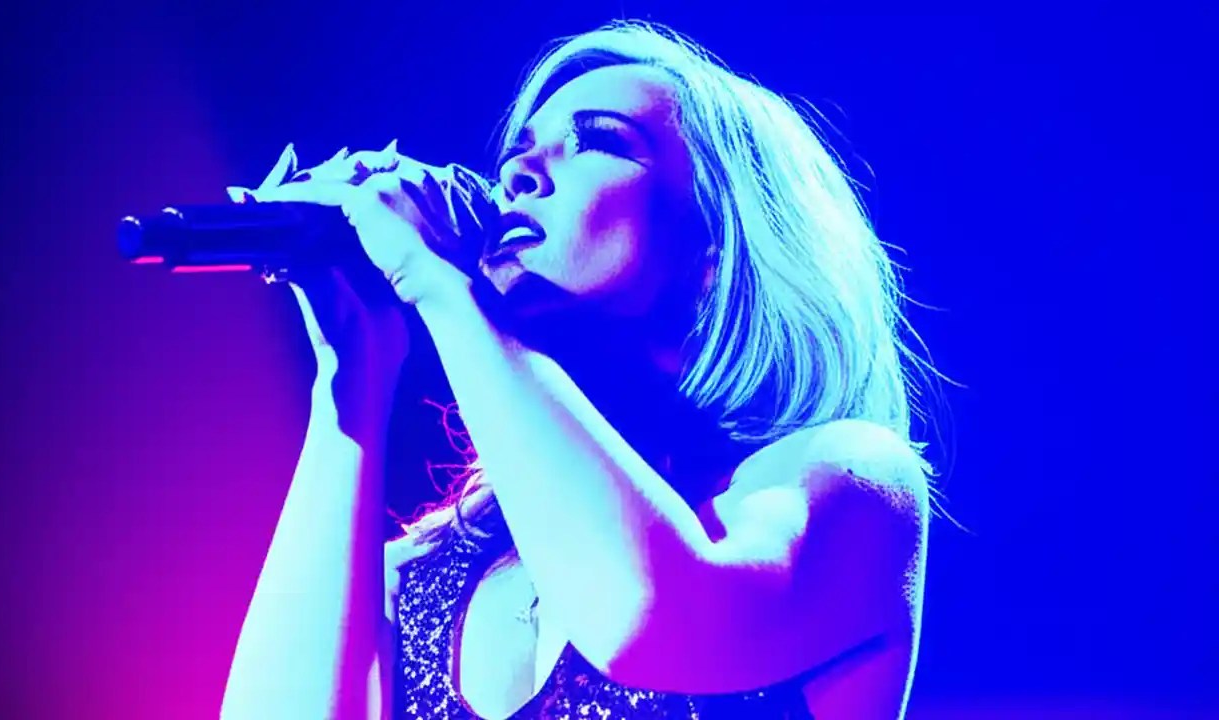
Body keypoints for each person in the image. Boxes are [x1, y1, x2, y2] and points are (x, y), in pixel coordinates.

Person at [219, 19, 934, 720]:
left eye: (596, 141)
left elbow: (649, 619)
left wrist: (436, 281)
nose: (519, 174)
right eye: (517, 152)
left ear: (712, 250)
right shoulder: (426, 569)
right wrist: (352, 369)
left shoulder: (848, 482)